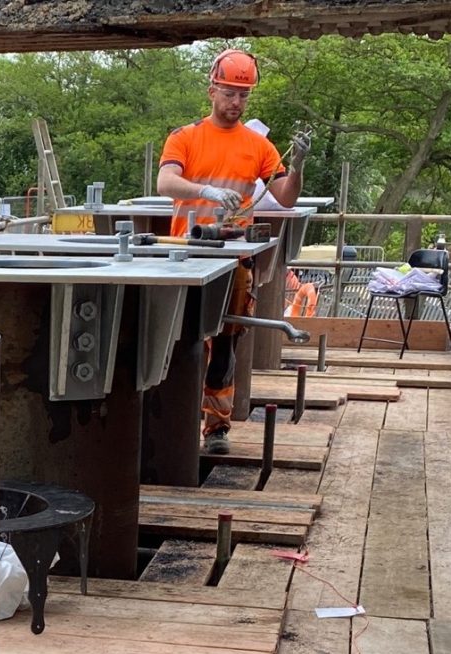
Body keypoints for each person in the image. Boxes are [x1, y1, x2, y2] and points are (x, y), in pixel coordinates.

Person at [154, 49, 308, 455]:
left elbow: (286, 199)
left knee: (226, 341)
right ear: (212, 91)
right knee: (183, 340)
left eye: (243, 95)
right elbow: (166, 183)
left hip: (234, 257)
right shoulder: (185, 137)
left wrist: (298, 166)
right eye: (229, 93)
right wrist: (202, 190)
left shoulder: (258, 146)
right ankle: (174, 423)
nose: (236, 102)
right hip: (185, 254)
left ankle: (216, 427)